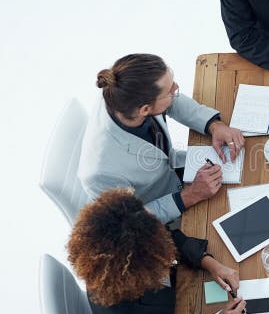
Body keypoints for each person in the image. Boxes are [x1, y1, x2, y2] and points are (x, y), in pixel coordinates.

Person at [68, 188, 246, 314]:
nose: (164, 256)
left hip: (168, 306)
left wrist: (210, 263)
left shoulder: (131, 234)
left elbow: (168, 239)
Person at [78, 53, 245, 225]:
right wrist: (191, 195)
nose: (176, 88)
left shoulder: (120, 90)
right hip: (165, 212)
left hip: (177, 171)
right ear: (144, 110)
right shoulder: (100, 173)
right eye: (170, 90)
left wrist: (214, 126)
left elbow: (172, 101)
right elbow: (132, 222)